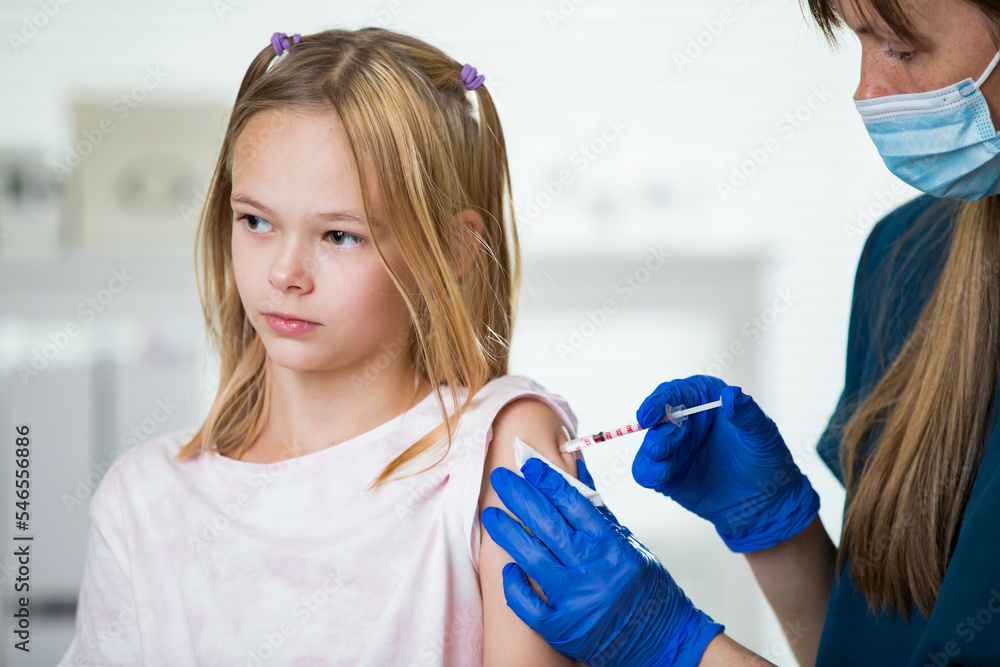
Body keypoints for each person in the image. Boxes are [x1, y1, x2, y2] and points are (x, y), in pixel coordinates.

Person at [482, 0, 1000, 665]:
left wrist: (669, 641)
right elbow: (858, 651)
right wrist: (773, 528)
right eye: (858, 44)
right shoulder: (908, 258)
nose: (867, 91)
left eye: (901, 48)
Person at [57, 27, 591, 666]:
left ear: (452, 249)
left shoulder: (496, 448)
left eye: (339, 236)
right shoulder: (141, 501)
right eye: (256, 221)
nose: (285, 273)